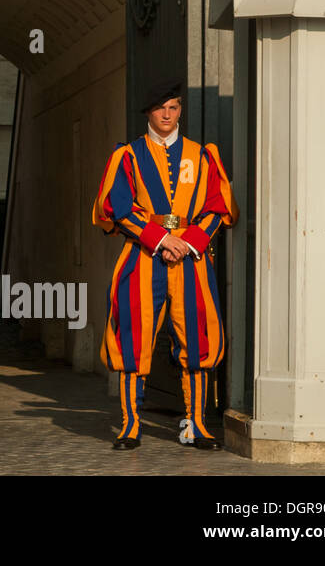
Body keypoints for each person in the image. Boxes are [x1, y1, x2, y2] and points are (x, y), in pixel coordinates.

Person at [92, 78, 237, 451]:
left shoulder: (202, 154)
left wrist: (187, 243)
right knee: (132, 338)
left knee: (198, 338)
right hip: (142, 257)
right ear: (148, 113)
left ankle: (197, 425)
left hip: (191, 259)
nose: (167, 115)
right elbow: (118, 208)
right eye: (160, 109)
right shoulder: (127, 156)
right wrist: (160, 239)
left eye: (173, 107)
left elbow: (217, 207)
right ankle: (130, 425)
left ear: (180, 110)